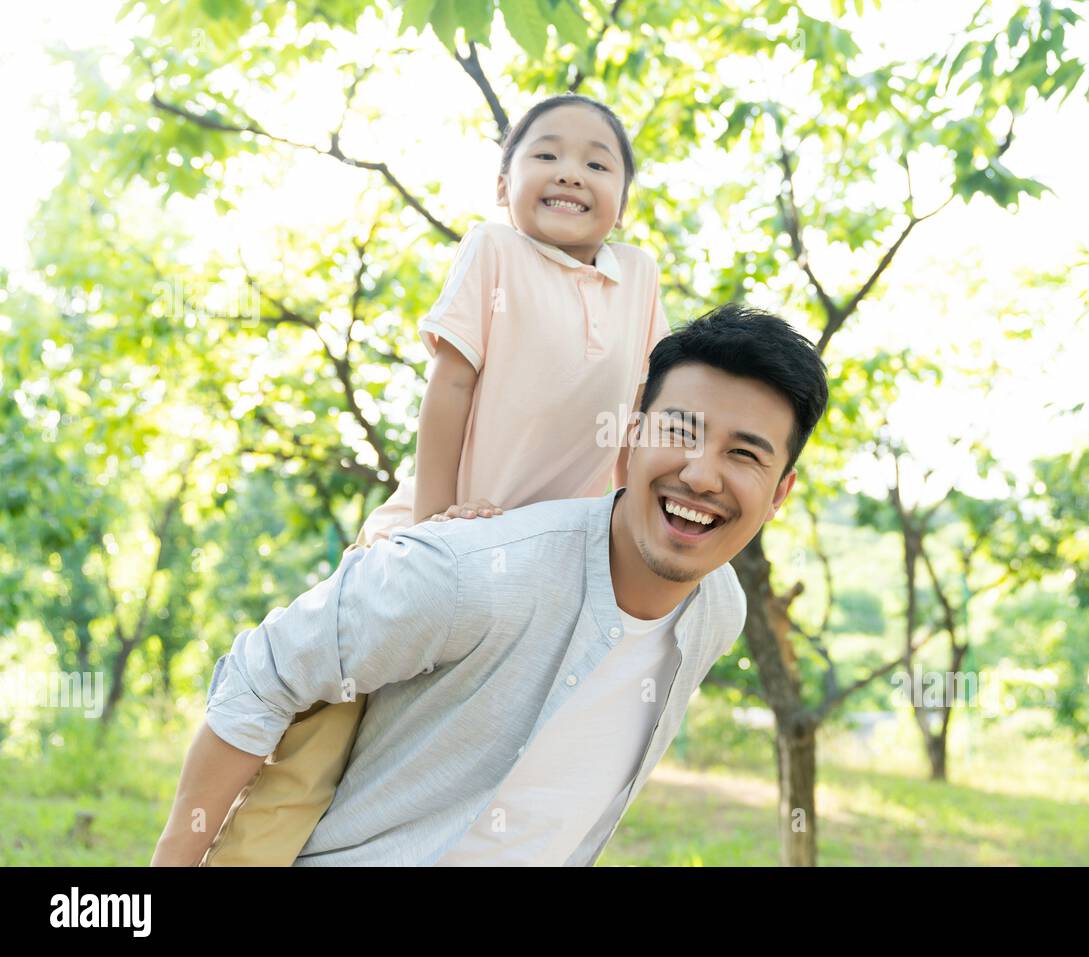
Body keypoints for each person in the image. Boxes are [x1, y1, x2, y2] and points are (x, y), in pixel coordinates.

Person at [151, 304, 829, 866]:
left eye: (744, 454)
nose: (702, 475)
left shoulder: (718, 611)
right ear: (627, 439)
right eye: (680, 432)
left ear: (780, 493)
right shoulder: (472, 573)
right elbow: (262, 670)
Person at [186, 92, 670, 864]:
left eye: (596, 161)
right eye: (545, 154)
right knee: (312, 754)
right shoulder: (494, 252)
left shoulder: (639, 277)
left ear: (623, 198)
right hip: (442, 536)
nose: (570, 172)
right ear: (503, 184)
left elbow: (642, 414)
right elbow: (450, 384)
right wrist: (434, 520)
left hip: (540, 573)